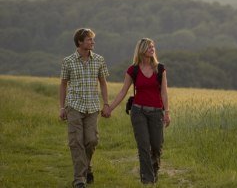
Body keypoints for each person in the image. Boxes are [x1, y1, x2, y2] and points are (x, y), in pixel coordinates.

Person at [102, 38, 170, 185]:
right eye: (149, 47)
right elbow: (122, 92)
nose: (152, 49)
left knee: (157, 146)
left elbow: (164, 93)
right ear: (141, 50)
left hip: (157, 112)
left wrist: (167, 112)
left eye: (153, 47)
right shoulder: (133, 70)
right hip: (138, 112)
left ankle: (154, 169)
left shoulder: (160, 69)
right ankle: (147, 180)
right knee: (143, 146)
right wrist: (109, 108)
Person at [59, 28, 110, 188]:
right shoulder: (68, 61)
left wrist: (106, 104)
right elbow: (63, 84)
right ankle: (79, 179)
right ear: (80, 42)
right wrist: (62, 107)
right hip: (74, 106)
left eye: (92, 39)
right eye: (89, 39)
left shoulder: (99, 60)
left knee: (91, 140)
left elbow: (103, 82)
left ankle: (87, 167)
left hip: (93, 107)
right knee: (76, 142)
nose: (92, 42)